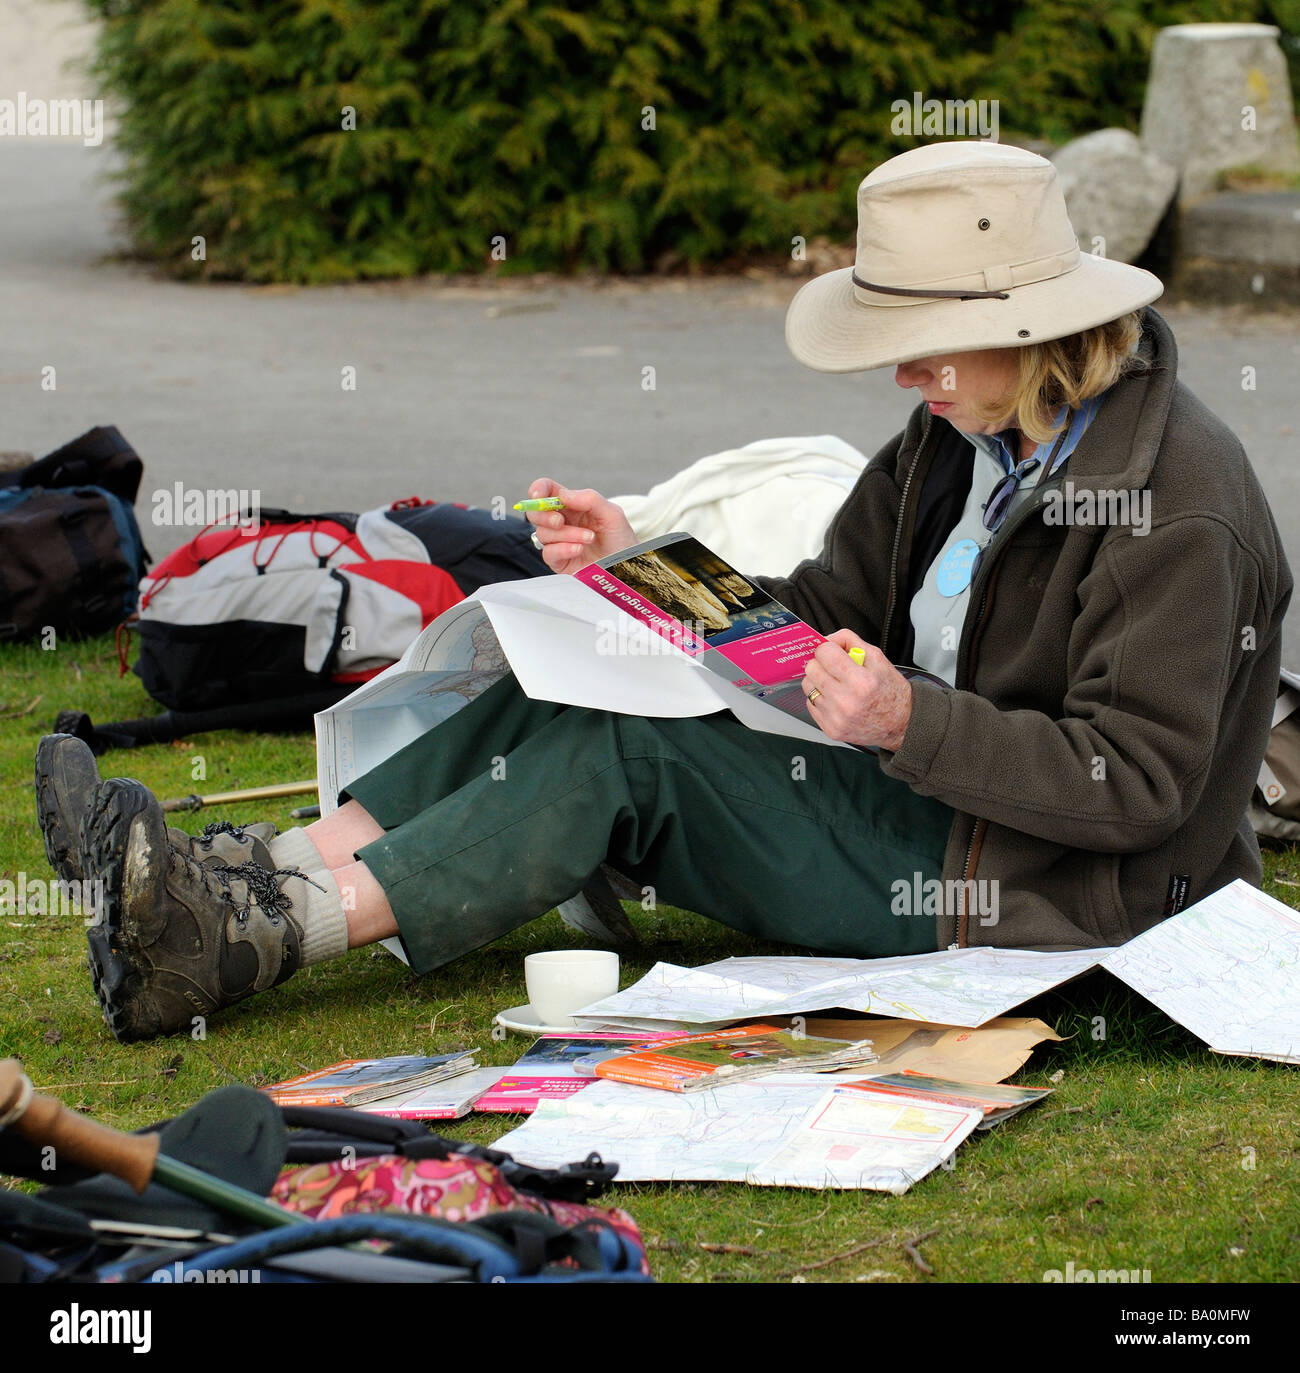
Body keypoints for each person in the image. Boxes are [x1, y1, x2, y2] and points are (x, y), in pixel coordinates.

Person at [35, 142, 1291, 1043]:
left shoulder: (1177, 506)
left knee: (627, 751)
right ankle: (234, 887)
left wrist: (914, 723)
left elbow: (1136, 787)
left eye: (922, 339)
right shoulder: (963, 430)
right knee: (557, 685)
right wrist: (646, 563)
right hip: (916, 798)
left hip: (1032, 889)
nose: (903, 371)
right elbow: (817, 605)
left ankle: (235, 935)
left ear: (1028, 325)